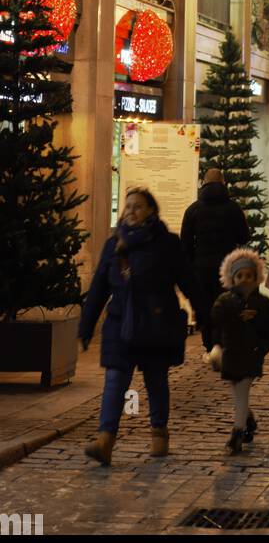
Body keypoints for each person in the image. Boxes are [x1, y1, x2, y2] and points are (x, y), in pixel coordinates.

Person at [79, 188, 207, 466]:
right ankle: (105, 440)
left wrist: (205, 316)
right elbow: (99, 287)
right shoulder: (114, 244)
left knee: (156, 379)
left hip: (156, 322)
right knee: (115, 380)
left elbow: (188, 281)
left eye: (138, 207)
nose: (131, 212)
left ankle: (159, 432)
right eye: (128, 207)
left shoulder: (168, 243)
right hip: (120, 322)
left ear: (151, 210)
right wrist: (86, 327)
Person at [208, 248, 269, 454]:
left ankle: (237, 434)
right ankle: (248, 419)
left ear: (256, 278)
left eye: (249, 276)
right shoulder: (225, 301)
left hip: (251, 354)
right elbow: (216, 324)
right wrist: (217, 345)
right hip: (231, 353)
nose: (244, 280)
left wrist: (261, 348)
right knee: (237, 391)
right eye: (240, 276)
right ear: (232, 278)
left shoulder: (263, 304)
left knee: (241, 390)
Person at [180, 168, 249, 346]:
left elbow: (185, 243)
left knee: (204, 305)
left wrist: (190, 266)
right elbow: (243, 237)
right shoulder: (233, 208)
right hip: (227, 265)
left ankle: (209, 344)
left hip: (201, 266)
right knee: (225, 303)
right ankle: (223, 342)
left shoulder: (193, 210)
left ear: (203, 183)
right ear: (223, 183)